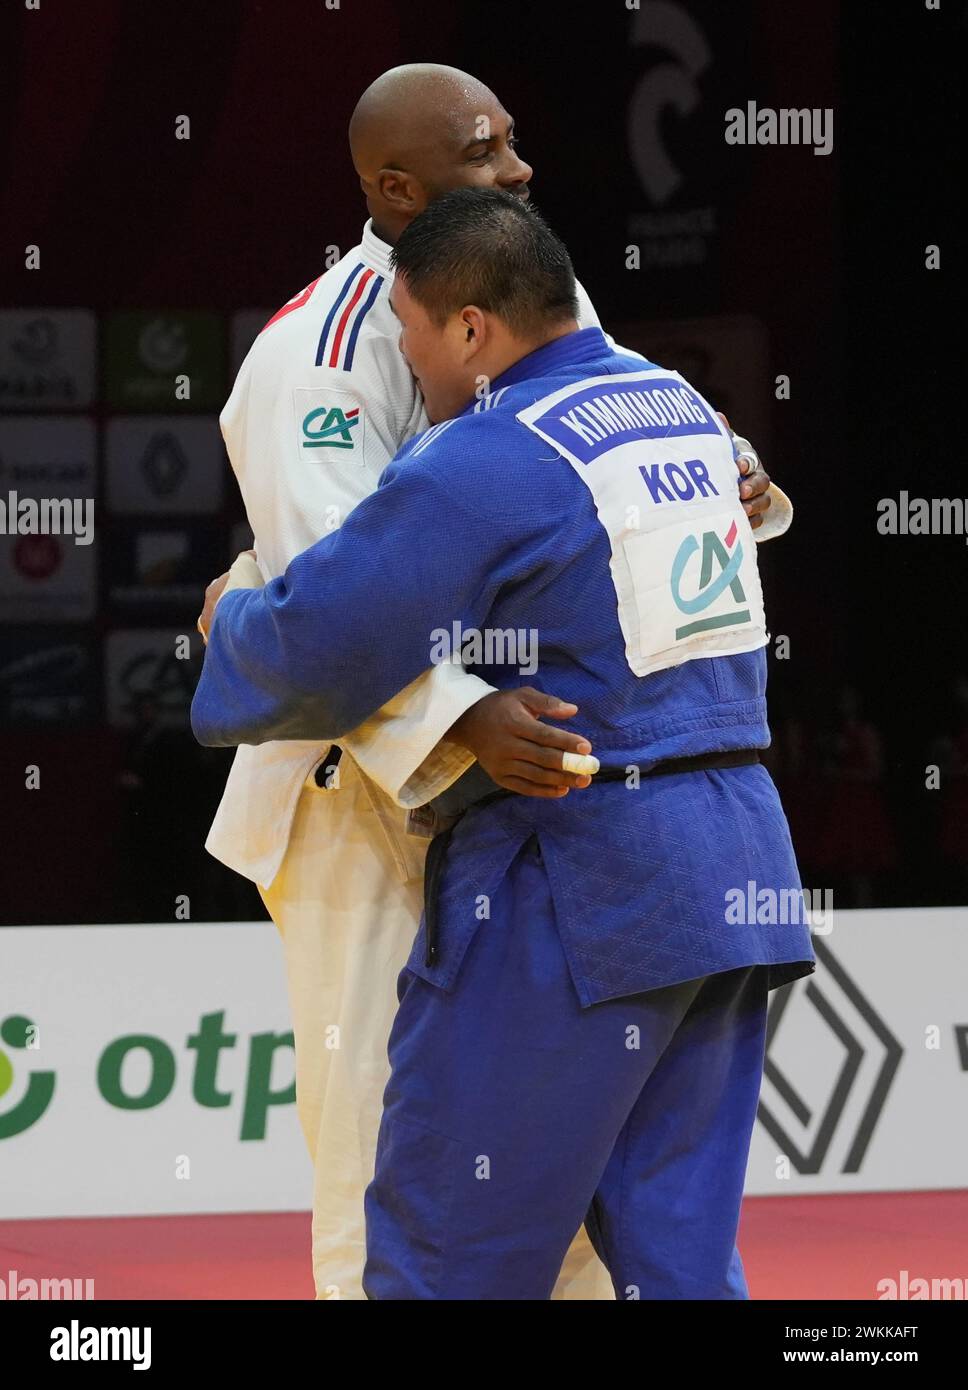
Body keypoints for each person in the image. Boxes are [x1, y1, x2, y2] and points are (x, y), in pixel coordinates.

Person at [205, 62, 783, 1301]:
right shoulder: (313, 351)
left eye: (515, 141)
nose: (519, 167)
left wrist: (742, 473)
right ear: (396, 185)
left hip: (556, 814)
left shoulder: (537, 292)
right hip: (371, 795)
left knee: (554, 1209)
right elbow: (330, 616)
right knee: (392, 1158)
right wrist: (456, 715)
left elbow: (657, 441)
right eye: (486, 151)